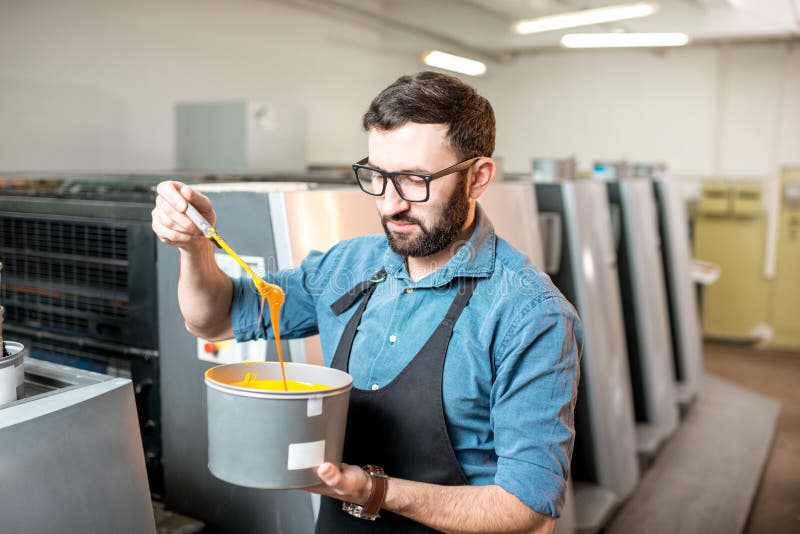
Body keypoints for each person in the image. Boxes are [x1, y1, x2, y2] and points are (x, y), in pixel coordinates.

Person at [152, 71, 582, 533]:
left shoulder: (528, 313)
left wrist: (372, 491)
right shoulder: (348, 267)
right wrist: (193, 248)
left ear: (477, 178)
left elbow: (527, 510)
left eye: (415, 180)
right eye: (377, 176)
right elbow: (214, 320)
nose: (389, 204)